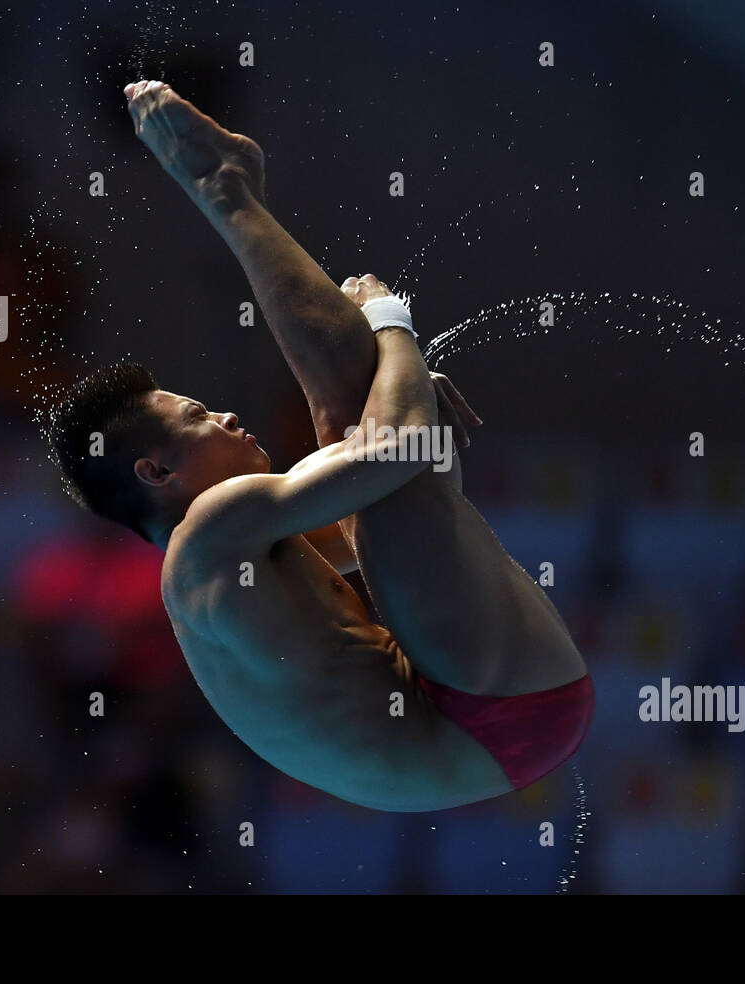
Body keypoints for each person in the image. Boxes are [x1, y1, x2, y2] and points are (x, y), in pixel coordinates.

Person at [47, 81, 593, 811]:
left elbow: (404, 469)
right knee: (356, 413)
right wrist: (388, 318)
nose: (229, 415)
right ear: (156, 470)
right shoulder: (211, 529)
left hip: (488, 724)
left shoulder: (226, 564)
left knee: (360, 436)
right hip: (492, 714)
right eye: (200, 416)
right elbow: (398, 451)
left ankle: (233, 192)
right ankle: (228, 193)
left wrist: (407, 388)